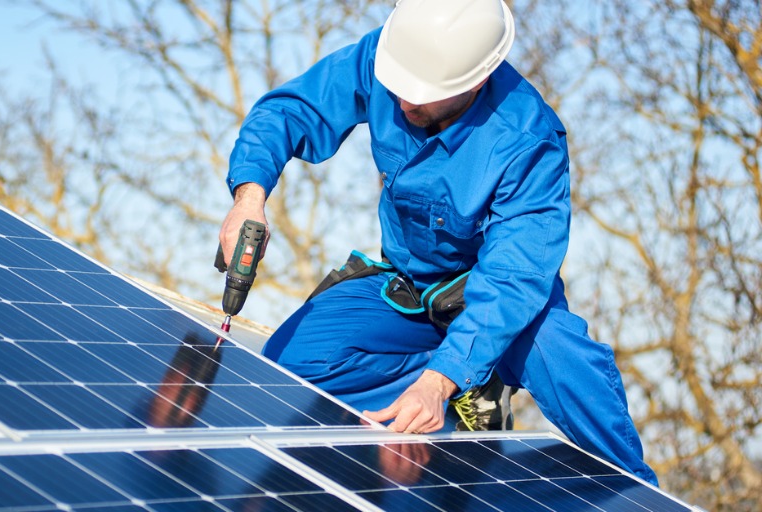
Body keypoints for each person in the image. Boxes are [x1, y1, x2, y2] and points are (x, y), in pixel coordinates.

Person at [217, 0, 658, 485]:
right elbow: (292, 109)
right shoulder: (389, 58)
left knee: (566, 361)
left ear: (473, 83)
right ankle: (465, 388)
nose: (403, 104)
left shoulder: (529, 141)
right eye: (398, 89)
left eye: (421, 97)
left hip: (493, 299)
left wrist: (440, 379)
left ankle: (637, 487)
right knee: (289, 366)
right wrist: (249, 197)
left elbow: (513, 279)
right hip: (408, 290)